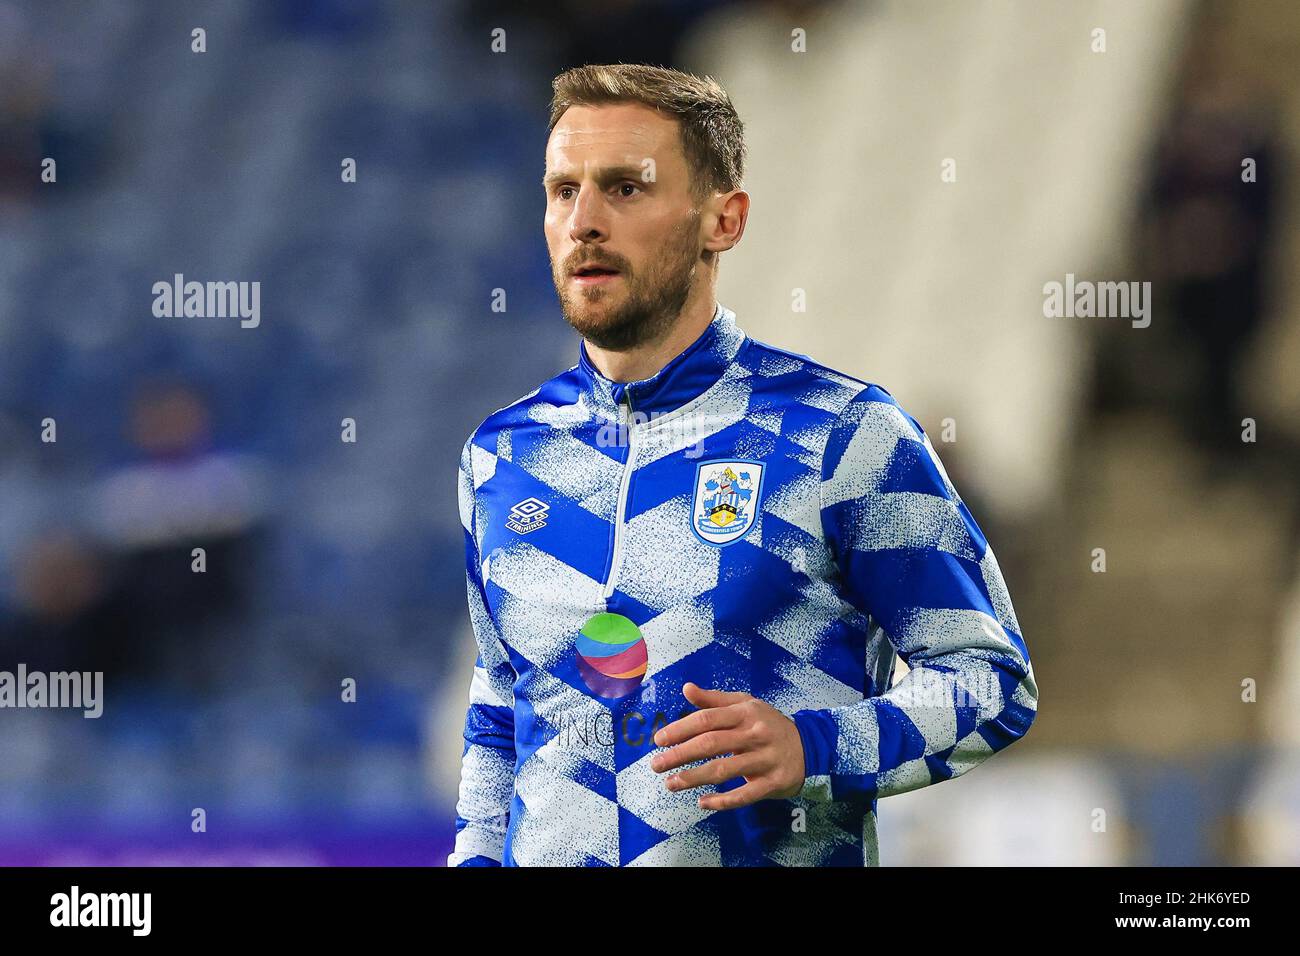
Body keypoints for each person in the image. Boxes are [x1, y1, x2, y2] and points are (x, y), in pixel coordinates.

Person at [448, 63, 1037, 867]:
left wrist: (816, 745)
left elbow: (989, 681)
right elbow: (497, 720)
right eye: (563, 191)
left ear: (723, 221)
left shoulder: (841, 433)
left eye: (625, 188)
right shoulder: (502, 455)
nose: (584, 220)